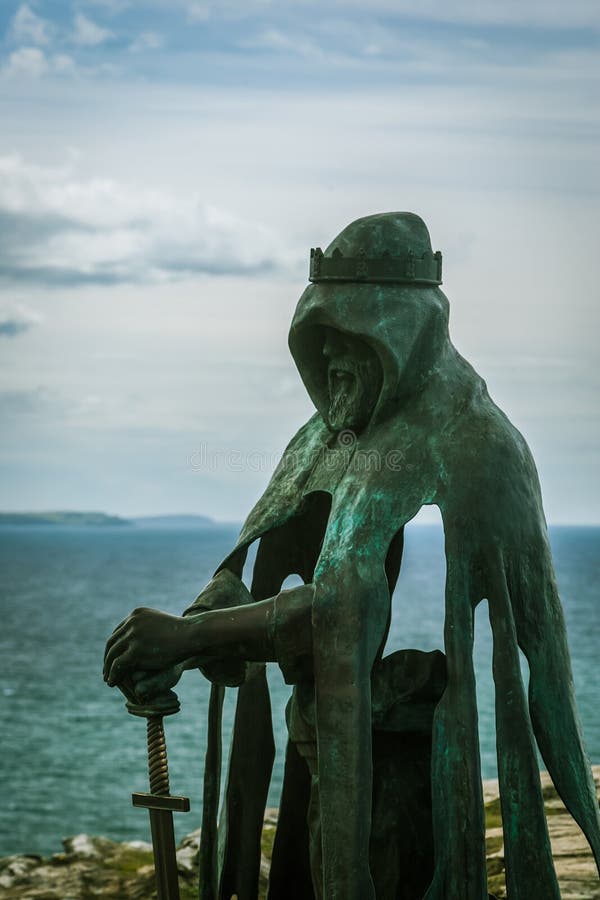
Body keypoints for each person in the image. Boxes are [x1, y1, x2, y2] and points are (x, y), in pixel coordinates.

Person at [105, 212, 600, 900]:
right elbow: (256, 570)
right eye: (321, 340)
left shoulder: (479, 444)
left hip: (401, 788)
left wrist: (189, 635)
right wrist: (184, 639)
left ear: (404, 332)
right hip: (319, 756)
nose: (334, 360)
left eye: (353, 338)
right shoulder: (325, 439)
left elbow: (344, 607)